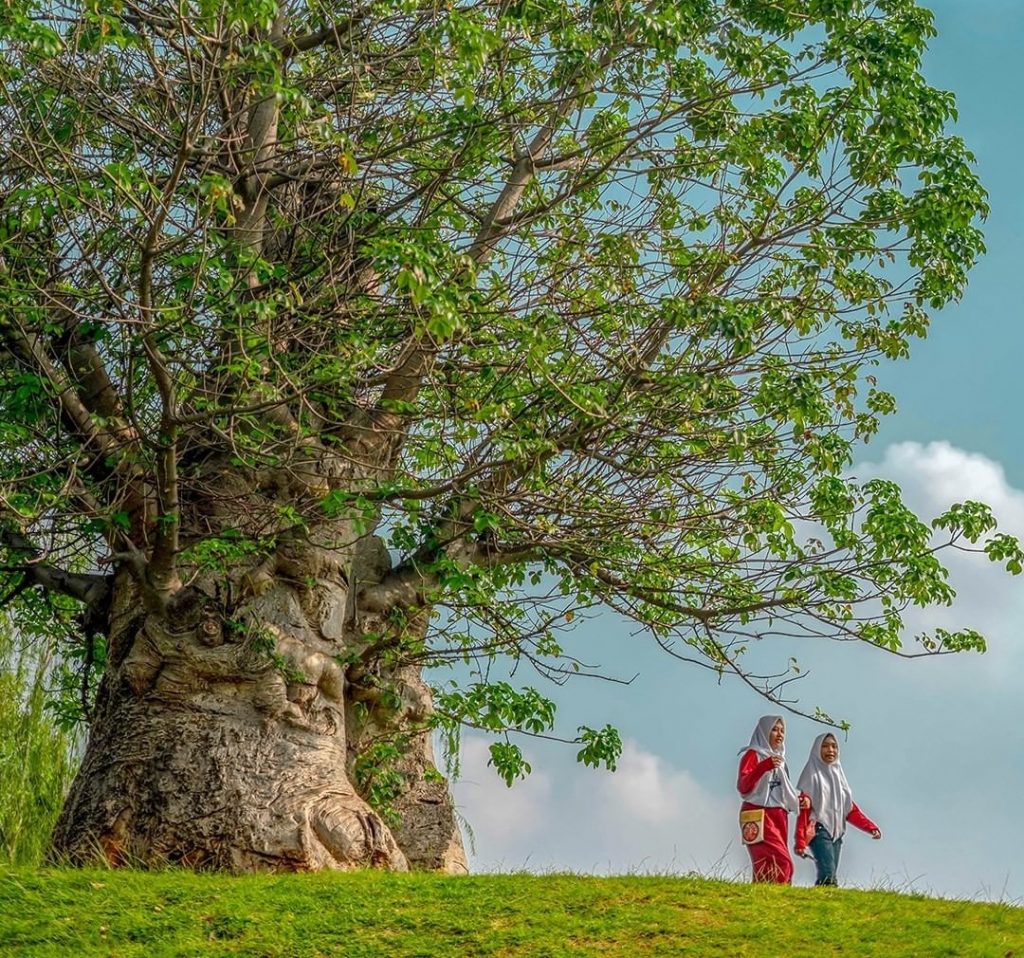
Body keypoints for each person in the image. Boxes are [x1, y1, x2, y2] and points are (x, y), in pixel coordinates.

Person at [795, 732, 882, 886]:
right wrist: (800, 842)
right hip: (820, 831)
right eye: (825, 746)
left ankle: (821, 904)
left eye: (834, 747)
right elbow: (804, 813)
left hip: (837, 835)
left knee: (829, 875)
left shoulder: (839, 779)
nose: (830, 750)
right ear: (817, 749)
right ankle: (826, 902)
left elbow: (850, 810)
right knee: (828, 875)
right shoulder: (812, 777)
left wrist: (871, 827)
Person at [736, 715, 802, 884]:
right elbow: (744, 786)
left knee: (766, 865)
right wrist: (763, 766)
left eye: (782, 731)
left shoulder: (781, 762)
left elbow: (783, 791)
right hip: (757, 813)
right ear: (765, 732)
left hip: (778, 815)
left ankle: (765, 901)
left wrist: (797, 800)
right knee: (783, 861)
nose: (779, 734)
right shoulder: (753, 755)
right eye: (774, 729)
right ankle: (781, 896)